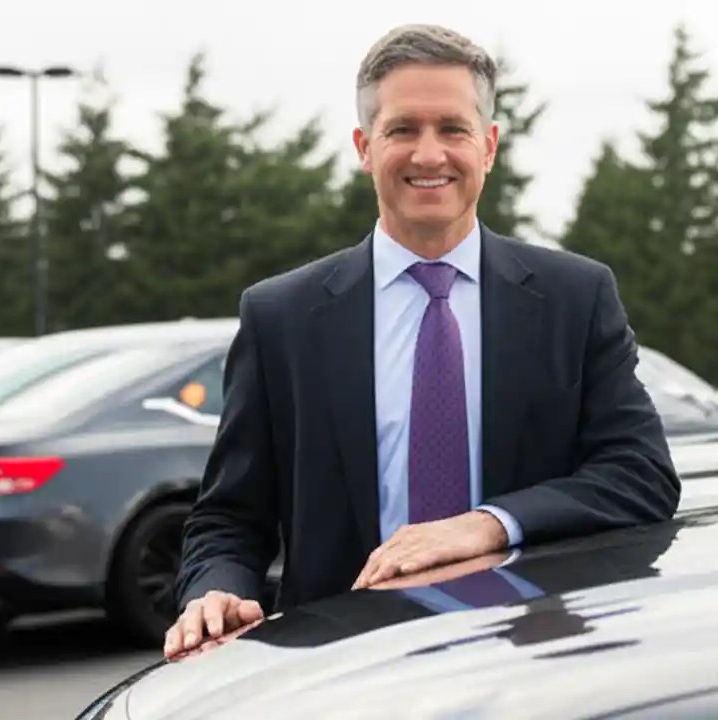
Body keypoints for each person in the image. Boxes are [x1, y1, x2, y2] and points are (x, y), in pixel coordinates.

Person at [164, 23, 680, 659]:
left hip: (532, 660)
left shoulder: (574, 297)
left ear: (488, 146)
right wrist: (214, 591)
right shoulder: (283, 316)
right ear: (364, 146)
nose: (429, 154)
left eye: (453, 130)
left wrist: (486, 526)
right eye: (403, 129)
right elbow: (229, 517)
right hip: (347, 668)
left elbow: (640, 476)